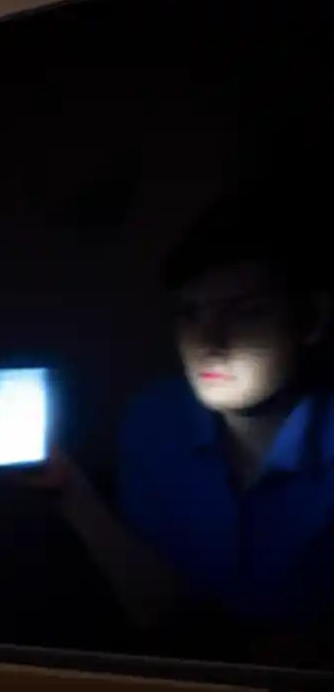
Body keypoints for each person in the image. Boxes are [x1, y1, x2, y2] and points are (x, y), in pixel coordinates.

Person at [23, 186, 334, 666]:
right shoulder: (155, 423)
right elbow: (161, 616)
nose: (210, 342)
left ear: (310, 319)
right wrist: (71, 495)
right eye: (191, 313)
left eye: (246, 312)